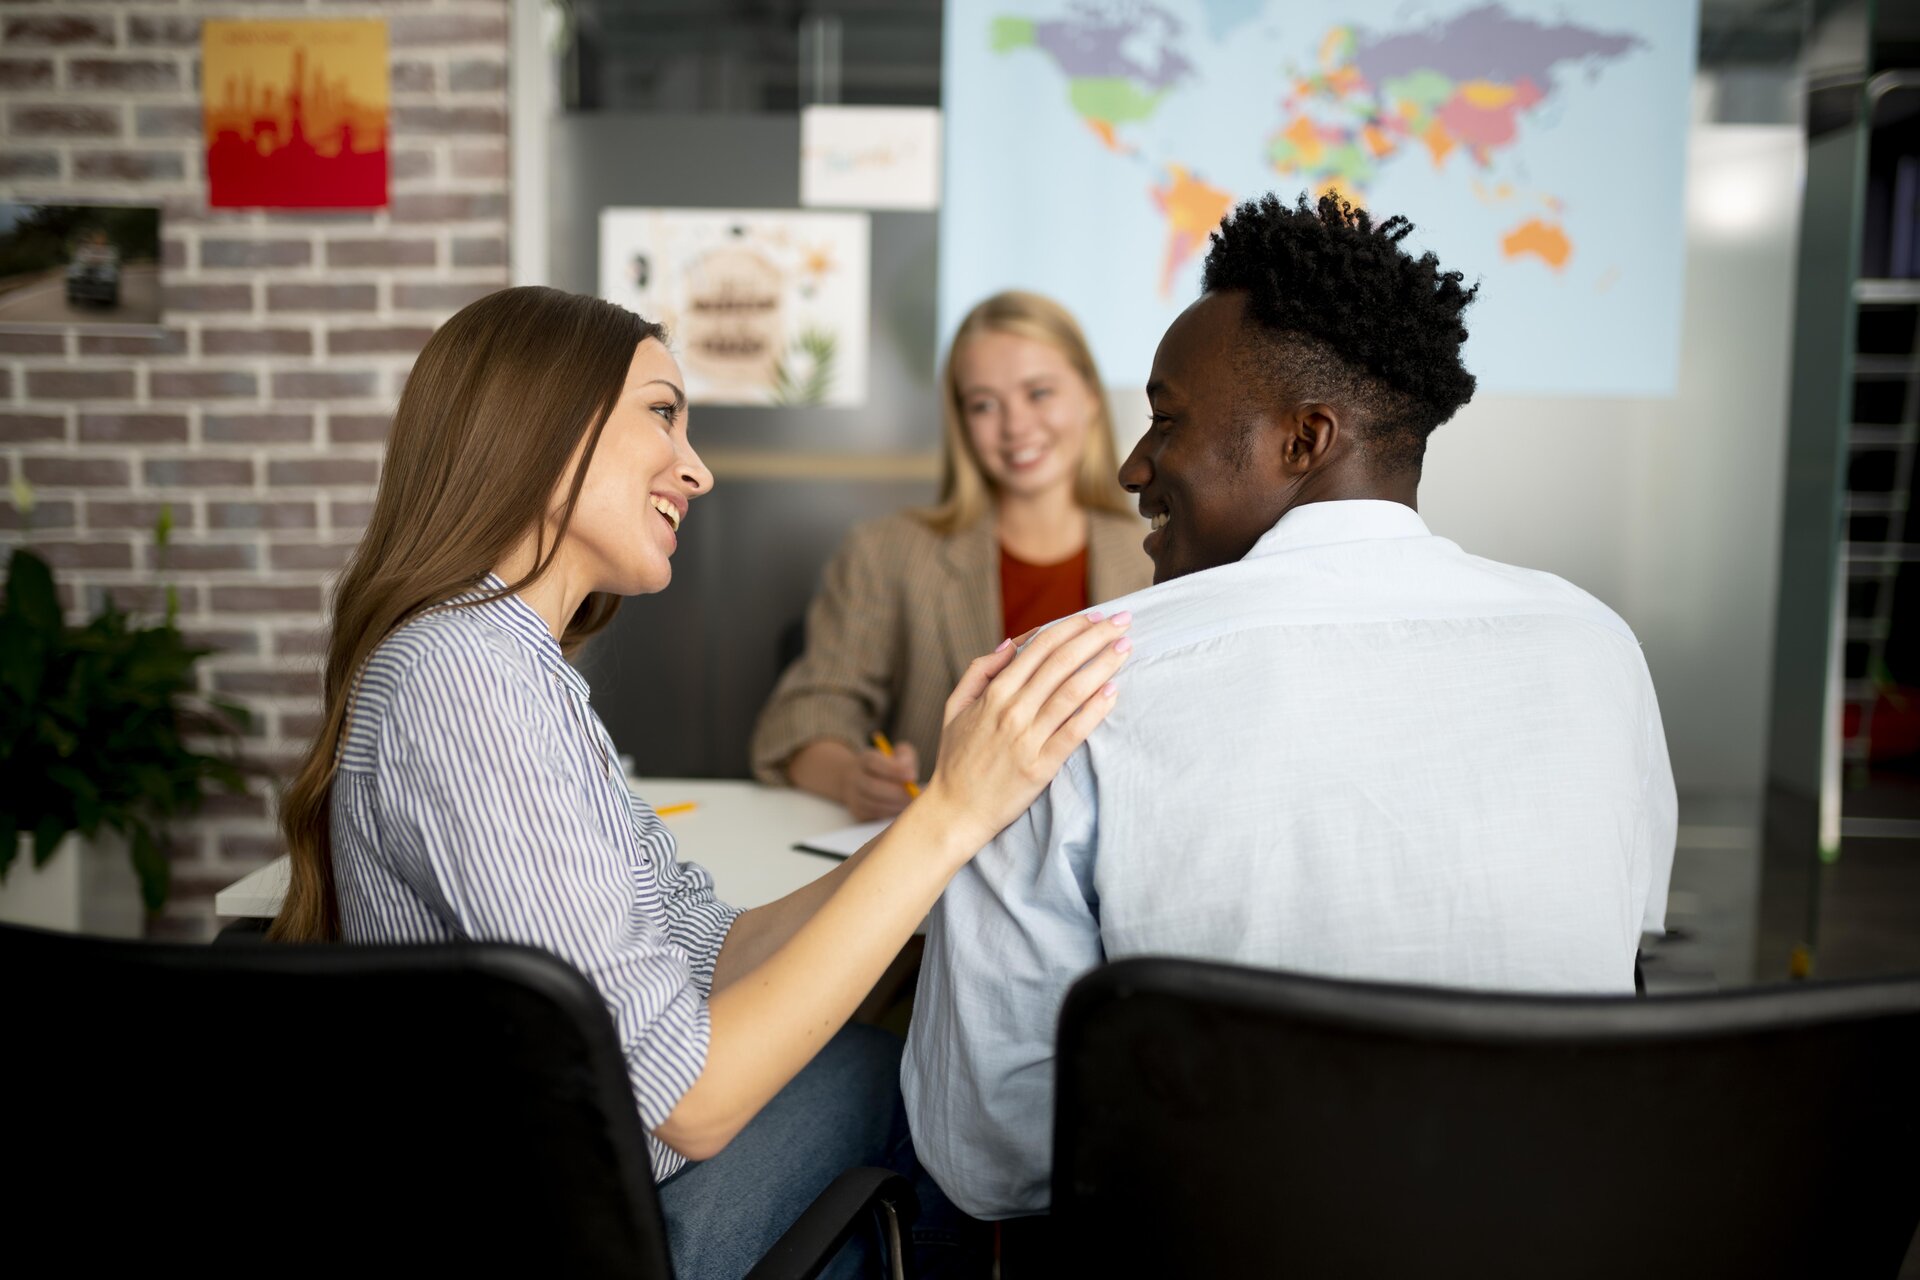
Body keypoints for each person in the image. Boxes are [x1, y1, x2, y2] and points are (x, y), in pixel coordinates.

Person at [268, 286, 1134, 1276]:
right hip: (558, 1215)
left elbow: (707, 940)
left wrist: (948, 832)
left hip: (570, 1173)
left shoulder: (514, 669)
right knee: (943, 1090)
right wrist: (950, 813)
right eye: (663, 413)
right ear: (548, 426)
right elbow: (690, 1099)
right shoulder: (465, 679)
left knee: (904, 1064)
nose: (698, 468)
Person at [902, 193, 1679, 1220]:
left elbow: (992, 1153)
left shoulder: (1072, 684)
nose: (1135, 466)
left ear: (1307, 438)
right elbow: (1612, 973)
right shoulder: (1597, 648)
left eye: (1167, 420)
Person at [751, 290, 1152, 820]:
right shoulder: (887, 553)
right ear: (962, 422)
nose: (1015, 426)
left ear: (1089, 396)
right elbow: (800, 722)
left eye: (1039, 392)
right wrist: (852, 778)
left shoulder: (1156, 557)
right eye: (985, 404)